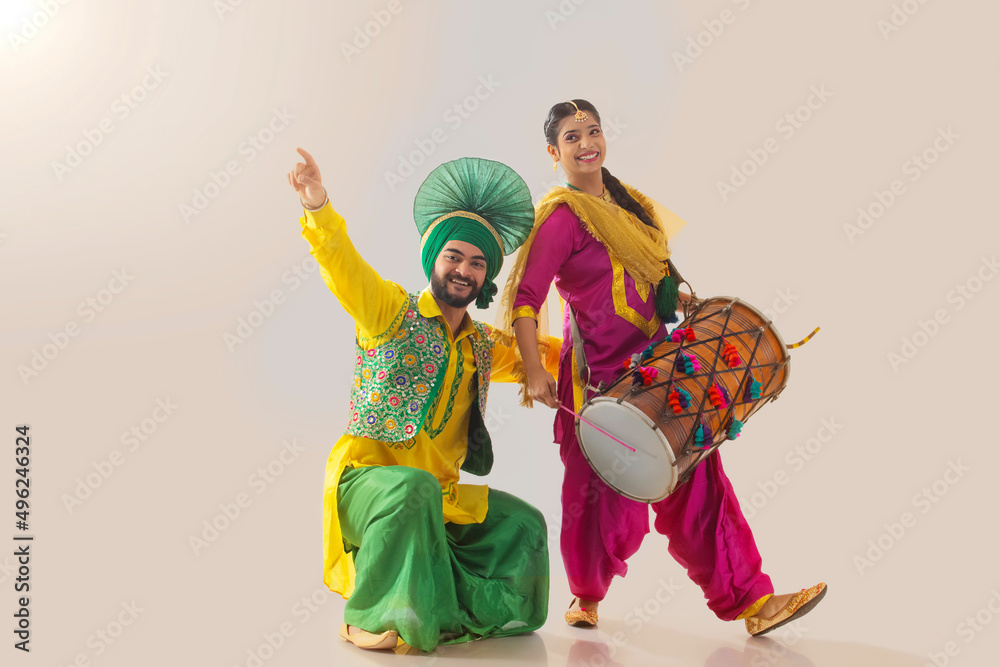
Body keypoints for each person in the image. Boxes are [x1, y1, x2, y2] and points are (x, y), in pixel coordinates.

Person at [496, 100, 826, 637]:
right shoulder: (560, 218)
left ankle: (754, 602)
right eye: (572, 137)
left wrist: (683, 304)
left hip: (660, 366)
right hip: (596, 376)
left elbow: (655, 281)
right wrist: (534, 370)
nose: (587, 144)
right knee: (594, 492)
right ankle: (586, 594)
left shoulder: (633, 205)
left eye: (594, 131)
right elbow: (525, 300)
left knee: (700, 482)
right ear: (553, 152)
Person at [288, 149, 561, 652]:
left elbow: (544, 357)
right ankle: (368, 615)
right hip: (366, 487)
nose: (463, 270)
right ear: (433, 258)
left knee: (524, 522)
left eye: (477, 263)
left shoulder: (483, 346)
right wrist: (317, 204)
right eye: (454, 256)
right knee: (412, 491)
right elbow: (341, 264)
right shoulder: (389, 311)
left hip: (438, 498)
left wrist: (621, 343)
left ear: (485, 279)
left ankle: (461, 614)